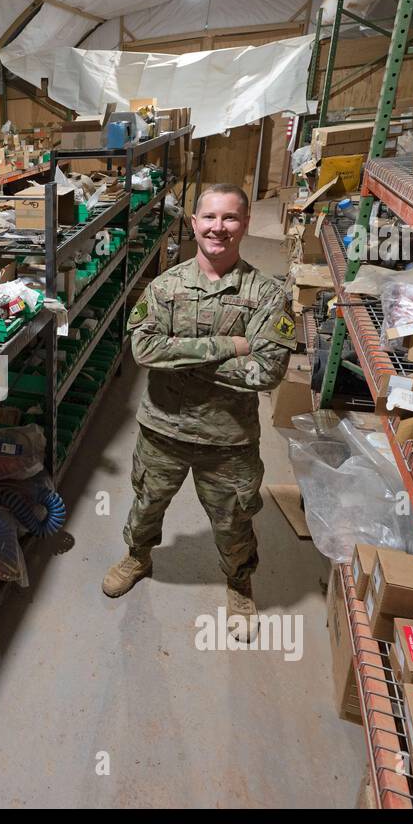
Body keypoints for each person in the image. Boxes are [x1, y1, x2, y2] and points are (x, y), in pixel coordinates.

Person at [102, 183, 296, 627]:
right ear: (194, 223)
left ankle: (238, 581)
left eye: (229, 218)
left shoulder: (266, 294)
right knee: (147, 503)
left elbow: (266, 372)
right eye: (209, 217)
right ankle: (138, 558)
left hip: (228, 438)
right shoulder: (166, 286)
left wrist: (182, 359)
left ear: (244, 225)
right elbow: (145, 351)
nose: (218, 228)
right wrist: (232, 344)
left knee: (234, 520)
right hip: (163, 429)